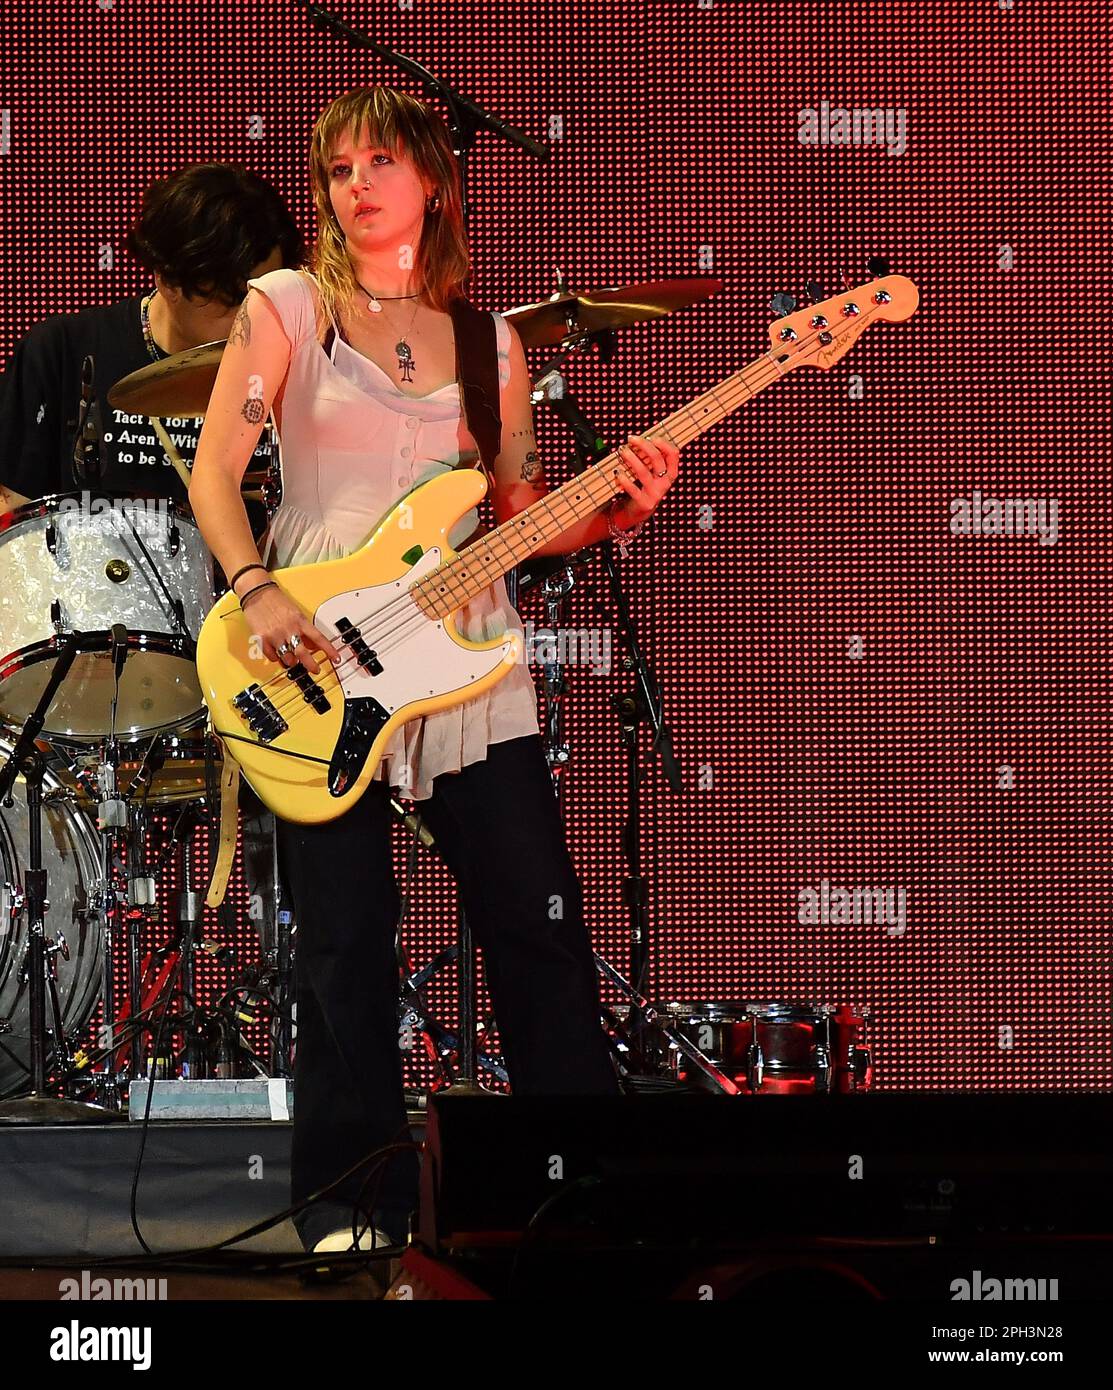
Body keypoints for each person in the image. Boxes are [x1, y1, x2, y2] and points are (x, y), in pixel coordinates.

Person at [188, 85, 680, 1254]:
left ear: (432, 181)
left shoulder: (487, 339)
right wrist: (256, 588)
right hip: (316, 648)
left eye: (380, 162)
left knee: (538, 919)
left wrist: (609, 515)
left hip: (463, 665)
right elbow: (215, 474)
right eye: (340, 168)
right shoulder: (288, 311)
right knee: (345, 937)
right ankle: (349, 1204)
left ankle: (580, 1185)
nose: (357, 185)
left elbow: (515, 512)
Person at [0, 163, 304, 515]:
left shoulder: (303, 355)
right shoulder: (63, 349)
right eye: (234, 302)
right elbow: (13, 512)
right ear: (168, 281)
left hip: (269, 569)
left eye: (267, 297)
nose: (255, 321)